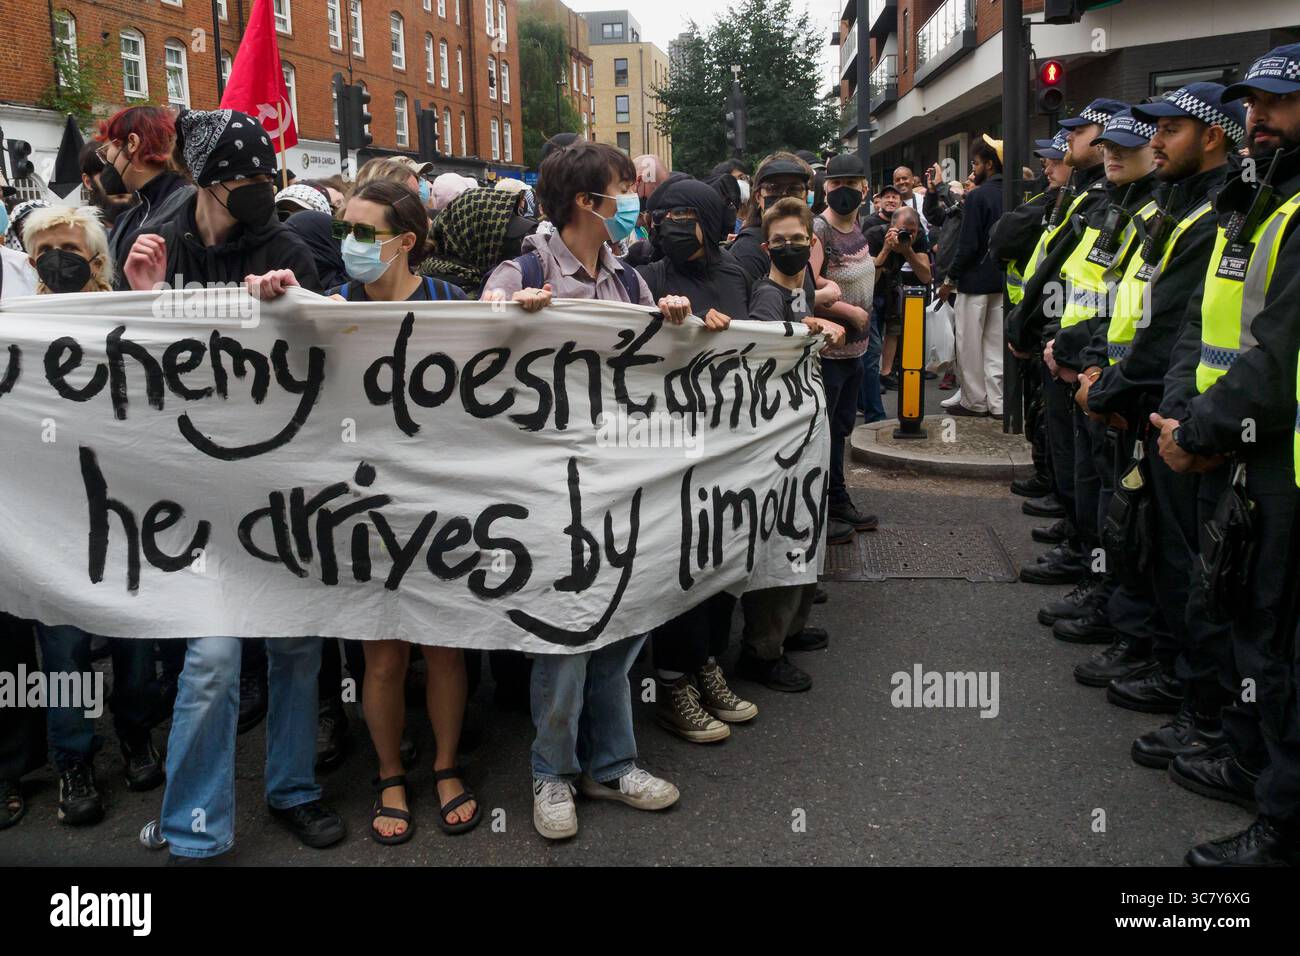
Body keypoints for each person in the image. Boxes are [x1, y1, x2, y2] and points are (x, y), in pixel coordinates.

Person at [124, 108, 340, 863]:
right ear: (206, 182)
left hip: (282, 487)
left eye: (266, 177)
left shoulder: (287, 249)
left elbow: (327, 367)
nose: (260, 190)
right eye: (246, 180)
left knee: (294, 648)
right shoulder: (158, 246)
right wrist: (144, 297)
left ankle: (293, 790)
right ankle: (192, 821)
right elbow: (131, 371)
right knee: (212, 659)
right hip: (194, 495)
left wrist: (295, 311)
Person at [249, 179, 477, 843]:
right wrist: (264, 302)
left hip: (438, 506)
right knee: (380, 658)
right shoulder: (326, 308)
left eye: (361, 231)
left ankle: (443, 765)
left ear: (405, 242)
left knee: (443, 653)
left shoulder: (450, 305)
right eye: (343, 226)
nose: (346, 243)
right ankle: (388, 773)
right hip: (362, 511)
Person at [481, 141, 687, 840]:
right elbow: (466, 364)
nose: (633, 202)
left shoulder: (629, 283)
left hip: (618, 486)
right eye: (622, 190)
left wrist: (687, 327)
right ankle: (551, 774)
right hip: (546, 494)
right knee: (565, 639)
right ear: (585, 202)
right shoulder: (521, 273)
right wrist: (507, 323)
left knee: (622, 629)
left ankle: (611, 763)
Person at [1148, 45, 1300, 865]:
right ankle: (1250, 762)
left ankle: (1279, 821)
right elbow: (1200, 326)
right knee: (1247, 623)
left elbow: (1273, 356)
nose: (1261, 117)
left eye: (1280, 102)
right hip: (1237, 448)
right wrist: (1189, 420)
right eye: (1254, 104)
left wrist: (1201, 433)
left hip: (1271, 461)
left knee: (1270, 643)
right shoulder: (1261, 200)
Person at [1078, 83, 1242, 758]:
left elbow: (1180, 320)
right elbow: (1128, 303)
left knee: (1191, 570)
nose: (1154, 142)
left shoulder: (1214, 213)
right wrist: (1099, 374)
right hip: (1160, 411)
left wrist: (1139, 399)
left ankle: (1198, 701)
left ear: (1212, 136)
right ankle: (1171, 669)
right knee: (1145, 541)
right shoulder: (1174, 209)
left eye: (1170, 130)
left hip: (1203, 431)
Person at [18, 205, 167, 825]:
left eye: (67, 248)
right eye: (43, 249)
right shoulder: (17, 326)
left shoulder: (127, 315)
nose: (55, 259)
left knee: (133, 641)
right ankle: (72, 760)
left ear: (97, 259)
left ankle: (134, 731)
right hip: (52, 519)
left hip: (126, 508)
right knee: (63, 648)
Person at [632, 175, 757, 743]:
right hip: (665, 449)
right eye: (663, 214)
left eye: (686, 213)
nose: (672, 224)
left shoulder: (735, 274)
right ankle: (672, 681)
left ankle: (708, 664)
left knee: (720, 560)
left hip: (727, 446)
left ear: (710, 219)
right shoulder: (644, 274)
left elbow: (763, 339)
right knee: (680, 563)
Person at [1007, 98, 1125, 589]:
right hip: (1070, 348)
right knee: (1078, 465)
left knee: (1098, 479)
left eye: (1080, 135)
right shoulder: (1087, 196)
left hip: (1094, 360)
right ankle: (1080, 549)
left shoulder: (1109, 199)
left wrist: (1073, 349)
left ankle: (1091, 569)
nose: (1068, 145)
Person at [738, 196, 845, 694]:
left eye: (797, 241)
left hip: (807, 422)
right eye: (779, 242)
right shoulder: (766, 295)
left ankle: (792, 629)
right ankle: (763, 649)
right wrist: (811, 327)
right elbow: (764, 346)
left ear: (811, 244)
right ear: (766, 246)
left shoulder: (801, 283)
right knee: (782, 528)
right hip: (781, 431)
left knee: (806, 522)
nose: (788, 248)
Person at [813, 153, 878, 531]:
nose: (844, 192)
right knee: (828, 431)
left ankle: (835, 497)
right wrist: (849, 312)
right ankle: (828, 501)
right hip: (829, 353)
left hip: (856, 350)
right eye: (837, 184)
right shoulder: (819, 231)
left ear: (863, 189)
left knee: (841, 430)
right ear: (826, 187)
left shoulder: (861, 228)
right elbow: (807, 288)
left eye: (851, 184)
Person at [939, 135, 1005, 418]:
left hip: (974, 281)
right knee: (996, 344)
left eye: (976, 162)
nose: (973, 168)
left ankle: (975, 401)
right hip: (1004, 281)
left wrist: (949, 279)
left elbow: (968, 245)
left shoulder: (977, 196)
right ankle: (999, 401)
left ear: (989, 165)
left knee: (969, 345)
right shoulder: (1017, 192)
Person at [94, 105, 194, 289]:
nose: (106, 163)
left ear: (132, 143)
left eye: (105, 150)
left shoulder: (193, 206)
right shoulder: (127, 219)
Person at [420, 186, 535, 298]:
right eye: (502, 238)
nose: (515, 244)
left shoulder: (484, 276)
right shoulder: (440, 289)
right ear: (471, 237)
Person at [867, 205, 933, 391]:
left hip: (892, 286)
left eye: (913, 231)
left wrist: (907, 250)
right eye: (904, 231)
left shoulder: (916, 239)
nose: (909, 235)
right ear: (892, 226)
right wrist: (886, 249)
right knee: (873, 344)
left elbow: (925, 276)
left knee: (894, 331)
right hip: (871, 289)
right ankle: (869, 385)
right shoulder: (874, 235)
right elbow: (871, 278)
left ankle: (886, 373)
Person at [78, 141, 136, 228]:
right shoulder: (79, 233)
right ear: (88, 182)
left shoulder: (153, 223)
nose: (118, 183)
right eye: (107, 175)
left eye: (123, 172)